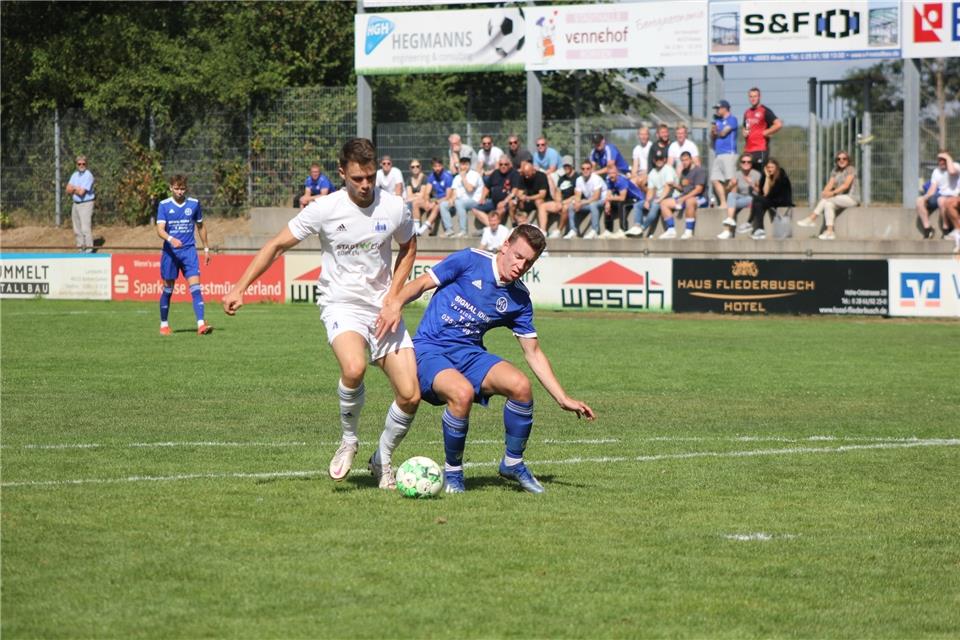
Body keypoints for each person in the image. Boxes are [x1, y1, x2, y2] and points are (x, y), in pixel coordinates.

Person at [222, 138, 420, 490]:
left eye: (370, 177)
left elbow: (409, 246)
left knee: (410, 395)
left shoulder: (394, 207)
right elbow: (277, 245)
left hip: (382, 306)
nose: (365, 185)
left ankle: (382, 459)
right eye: (357, 178)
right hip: (341, 302)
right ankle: (349, 440)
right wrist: (240, 287)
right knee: (354, 367)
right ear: (342, 173)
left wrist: (394, 298)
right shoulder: (324, 209)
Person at [382, 225, 595, 494]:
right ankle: (454, 474)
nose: (521, 266)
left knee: (520, 386)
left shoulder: (519, 298)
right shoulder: (470, 260)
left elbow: (533, 352)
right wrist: (394, 305)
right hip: (430, 349)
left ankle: (512, 463)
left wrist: (562, 398)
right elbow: (422, 283)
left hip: (469, 354)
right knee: (461, 393)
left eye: (529, 262)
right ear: (505, 246)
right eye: (518, 256)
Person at [155, 174, 212, 336]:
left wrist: (206, 248)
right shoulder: (164, 205)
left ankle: (201, 324)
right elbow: (160, 230)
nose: (180, 191)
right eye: (176, 188)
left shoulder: (194, 204)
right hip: (170, 253)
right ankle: (164, 325)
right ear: (171, 188)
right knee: (168, 290)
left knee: (196, 288)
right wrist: (171, 239)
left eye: (182, 189)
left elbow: (201, 226)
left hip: (189, 252)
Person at [798, 150, 860, 240]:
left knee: (827, 199)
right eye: (839, 159)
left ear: (848, 160)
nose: (841, 160)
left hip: (852, 198)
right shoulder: (835, 171)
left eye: (844, 158)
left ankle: (812, 218)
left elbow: (845, 185)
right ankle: (830, 231)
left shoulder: (851, 169)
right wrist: (825, 192)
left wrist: (832, 193)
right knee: (828, 204)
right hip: (839, 198)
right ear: (836, 161)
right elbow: (830, 184)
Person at [628, 149, 676, 238]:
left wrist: (659, 199)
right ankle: (637, 226)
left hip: (669, 197)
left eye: (661, 159)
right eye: (657, 159)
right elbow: (650, 190)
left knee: (654, 205)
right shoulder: (652, 173)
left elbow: (668, 187)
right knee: (638, 205)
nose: (659, 161)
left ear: (664, 159)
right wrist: (647, 200)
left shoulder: (668, 169)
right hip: (658, 197)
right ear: (654, 160)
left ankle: (642, 228)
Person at [658, 151, 705, 239]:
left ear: (691, 159)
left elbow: (698, 190)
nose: (684, 162)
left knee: (689, 201)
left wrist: (684, 198)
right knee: (664, 203)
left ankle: (689, 231)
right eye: (682, 160)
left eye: (686, 160)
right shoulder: (684, 172)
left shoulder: (699, 170)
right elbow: (683, 189)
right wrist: (674, 185)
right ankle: (671, 230)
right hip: (685, 197)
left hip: (699, 198)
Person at [915, 151, 959, 239]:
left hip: (953, 196)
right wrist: (925, 197)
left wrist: (947, 157)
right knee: (919, 200)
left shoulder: (956, 166)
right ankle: (928, 230)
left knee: (941, 200)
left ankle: (946, 229)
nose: (941, 162)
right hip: (940, 195)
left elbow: (951, 172)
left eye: (943, 159)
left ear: (949, 159)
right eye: (939, 159)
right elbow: (932, 189)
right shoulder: (936, 171)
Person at [747, 157, 793, 240]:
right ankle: (760, 230)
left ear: (776, 168)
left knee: (757, 199)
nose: (770, 169)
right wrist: (767, 177)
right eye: (768, 167)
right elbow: (764, 193)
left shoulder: (781, 176)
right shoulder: (765, 176)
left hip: (781, 201)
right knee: (758, 204)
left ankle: (749, 222)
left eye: (772, 167)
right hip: (771, 200)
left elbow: (768, 194)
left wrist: (765, 193)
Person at [718, 154, 760, 239]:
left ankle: (727, 231)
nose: (746, 163)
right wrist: (731, 185)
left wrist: (751, 184)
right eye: (743, 162)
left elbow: (761, 192)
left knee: (731, 205)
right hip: (741, 198)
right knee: (731, 196)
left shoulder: (756, 174)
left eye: (748, 162)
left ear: (751, 164)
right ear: (740, 164)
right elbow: (730, 191)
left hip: (753, 199)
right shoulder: (737, 174)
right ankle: (730, 220)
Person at [441, 156, 483, 237]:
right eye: (462, 164)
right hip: (460, 201)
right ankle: (449, 230)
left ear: (469, 165)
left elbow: (470, 189)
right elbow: (454, 193)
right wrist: (451, 200)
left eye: (466, 164)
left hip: (474, 201)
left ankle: (463, 231)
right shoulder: (457, 177)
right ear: (459, 165)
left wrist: (463, 178)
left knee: (459, 203)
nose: (464, 167)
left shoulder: (475, 175)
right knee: (443, 205)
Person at [474, 156, 521, 227]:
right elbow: (487, 187)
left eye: (505, 164)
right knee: (475, 208)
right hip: (493, 202)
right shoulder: (495, 173)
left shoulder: (514, 173)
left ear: (509, 165)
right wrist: (482, 198)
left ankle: (492, 227)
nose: (503, 166)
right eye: (501, 164)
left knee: (499, 211)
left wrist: (504, 202)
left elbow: (514, 191)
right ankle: (491, 226)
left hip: (507, 203)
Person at [743, 87, 783, 170]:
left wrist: (766, 132)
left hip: (760, 149)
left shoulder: (764, 111)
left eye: (755, 96)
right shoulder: (747, 112)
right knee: (749, 175)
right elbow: (746, 127)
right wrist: (744, 131)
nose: (753, 99)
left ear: (759, 97)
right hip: (748, 150)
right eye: (751, 96)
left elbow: (778, 124)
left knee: (760, 175)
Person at [710, 100, 739, 209]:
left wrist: (716, 131)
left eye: (718, 108)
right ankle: (723, 203)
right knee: (714, 179)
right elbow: (713, 137)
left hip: (729, 153)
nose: (717, 111)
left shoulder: (732, 119)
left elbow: (723, 133)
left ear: (725, 108)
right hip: (718, 154)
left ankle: (731, 203)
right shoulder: (718, 121)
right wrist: (713, 132)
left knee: (730, 180)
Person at [603, 161, 643, 239]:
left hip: (636, 199)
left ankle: (623, 230)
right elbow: (608, 194)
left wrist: (609, 198)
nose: (611, 175)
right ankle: (608, 230)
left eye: (613, 173)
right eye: (609, 173)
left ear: (617, 173)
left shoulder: (621, 181)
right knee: (607, 205)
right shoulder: (610, 180)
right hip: (626, 198)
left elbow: (622, 198)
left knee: (622, 205)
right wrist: (608, 203)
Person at [568, 160, 606, 239]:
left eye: (588, 168)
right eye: (583, 169)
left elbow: (596, 197)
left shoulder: (596, 178)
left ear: (591, 169)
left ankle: (595, 231)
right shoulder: (579, 180)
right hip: (589, 201)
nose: (585, 170)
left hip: (602, 200)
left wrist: (582, 203)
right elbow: (577, 195)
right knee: (571, 205)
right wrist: (577, 203)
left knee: (593, 205)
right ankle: (573, 231)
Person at [66, 155, 95, 253]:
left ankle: (89, 251)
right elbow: (67, 189)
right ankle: (81, 249)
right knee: (77, 229)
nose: (81, 165)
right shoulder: (74, 175)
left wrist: (73, 188)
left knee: (85, 228)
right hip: (75, 204)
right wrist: (76, 189)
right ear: (76, 165)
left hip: (86, 204)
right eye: (79, 164)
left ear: (86, 164)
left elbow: (82, 192)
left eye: (83, 163)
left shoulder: (88, 175)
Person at [419, 157, 454, 237]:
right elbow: (427, 192)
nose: (437, 168)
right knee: (416, 203)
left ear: (442, 166)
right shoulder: (431, 176)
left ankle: (422, 229)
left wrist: (434, 202)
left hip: (447, 201)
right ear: (432, 167)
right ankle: (416, 227)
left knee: (437, 206)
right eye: (435, 166)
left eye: (439, 166)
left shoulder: (447, 177)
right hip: (437, 199)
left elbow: (448, 196)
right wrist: (427, 202)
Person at [513, 159, 549, 228]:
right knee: (516, 202)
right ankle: (516, 225)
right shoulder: (523, 177)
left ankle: (542, 228)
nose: (526, 176)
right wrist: (521, 197)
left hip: (539, 200)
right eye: (525, 174)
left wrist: (527, 198)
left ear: (533, 171)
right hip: (527, 201)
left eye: (528, 173)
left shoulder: (541, 176)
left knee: (539, 202)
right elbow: (519, 192)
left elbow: (542, 195)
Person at [406, 159, 431, 234]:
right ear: (410, 168)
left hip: (427, 202)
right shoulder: (409, 179)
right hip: (415, 202)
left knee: (415, 203)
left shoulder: (424, 178)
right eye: (413, 167)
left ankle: (416, 229)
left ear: (420, 167)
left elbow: (422, 195)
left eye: (417, 166)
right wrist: (417, 195)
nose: (415, 168)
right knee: (409, 203)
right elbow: (409, 195)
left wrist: (414, 196)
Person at [631, 125, 653, 190]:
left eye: (645, 134)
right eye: (641, 134)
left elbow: (653, 166)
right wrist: (633, 175)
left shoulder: (652, 147)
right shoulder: (636, 149)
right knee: (631, 183)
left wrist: (645, 173)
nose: (643, 137)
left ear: (648, 136)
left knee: (642, 182)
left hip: (650, 174)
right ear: (638, 136)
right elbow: (635, 167)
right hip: (640, 175)